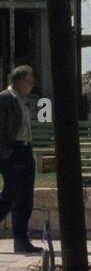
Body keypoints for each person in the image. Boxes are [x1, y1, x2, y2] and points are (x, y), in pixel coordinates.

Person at [0, 64, 39, 254]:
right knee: (10, 195)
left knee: (25, 198)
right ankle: (20, 239)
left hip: (24, 150)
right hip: (12, 152)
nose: (32, 85)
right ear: (21, 80)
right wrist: (5, 152)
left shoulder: (21, 99)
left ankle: (21, 240)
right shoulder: (5, 99)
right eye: (30, 81)